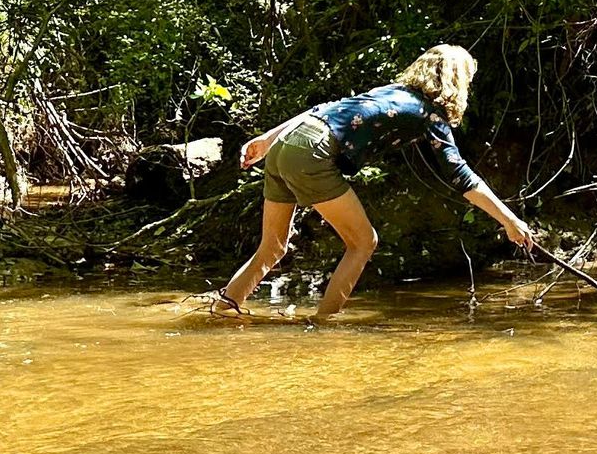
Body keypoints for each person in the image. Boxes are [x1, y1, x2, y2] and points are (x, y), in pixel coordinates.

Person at [218, 44, 534, 320]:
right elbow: (461, 176)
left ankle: (223, 310)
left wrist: (267, 140)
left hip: (287, 143)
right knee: (363, 243)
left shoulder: (391, 92)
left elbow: (321, 109)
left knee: (272, 246)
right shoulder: (430, 115)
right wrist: (510, 220)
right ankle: (323, 326)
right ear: (457, 82)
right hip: (313, 151)